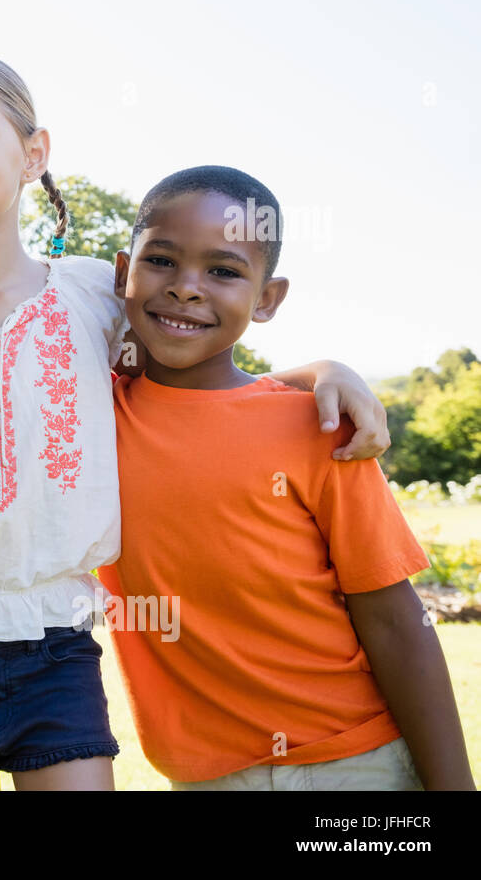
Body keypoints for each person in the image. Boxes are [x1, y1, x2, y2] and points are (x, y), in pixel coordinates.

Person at [0, 52, 391, 791]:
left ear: (35, 153)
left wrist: (323, 372)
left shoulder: (96, 296)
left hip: (56, 648)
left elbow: (196, 367)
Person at [99, 165, 473, 790]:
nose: (188, 289)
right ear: (122, 273)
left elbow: (396, 621)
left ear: (267, 299)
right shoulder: (85, 417)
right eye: (161, 260)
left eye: (223, 271)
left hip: (355, 764)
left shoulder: (320, 427)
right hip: (203, 775)